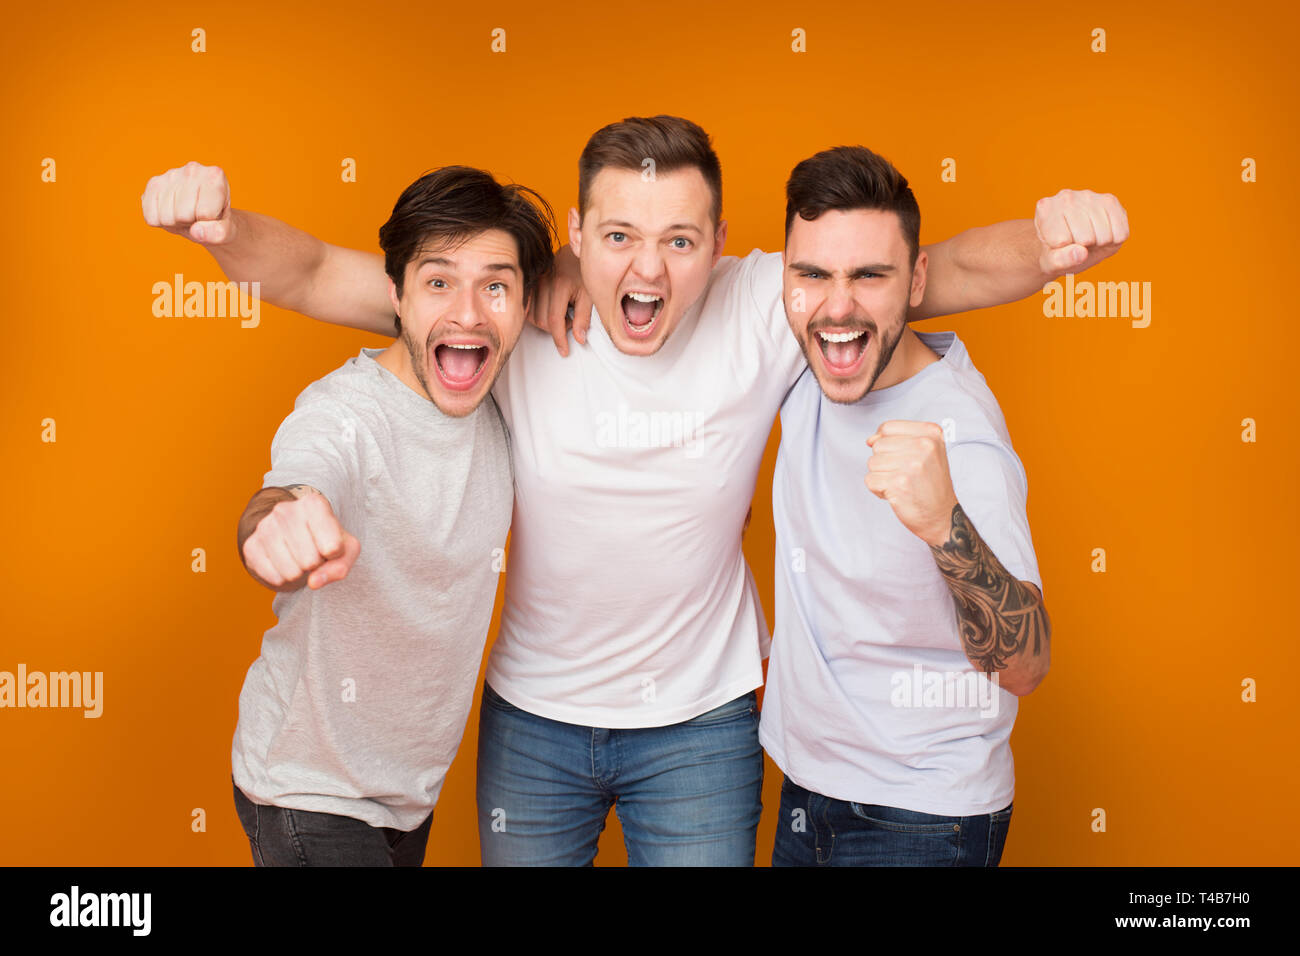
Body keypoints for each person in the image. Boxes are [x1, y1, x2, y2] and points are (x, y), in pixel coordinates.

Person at [140, 115, 1123, 865]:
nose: (646, 267)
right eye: (616, 236)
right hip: (533, 720)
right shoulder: (506, 311)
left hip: (703, 726)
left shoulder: (773, 301)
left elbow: (926, 271)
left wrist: (1048, 245)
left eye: (679, 241)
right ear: (573, 234)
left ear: (724, 242)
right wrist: (219, 230)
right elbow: (320, 270)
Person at [143, 163, 556, 865]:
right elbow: (297, 482)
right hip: (312, 790)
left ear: (524, 305)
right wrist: (276, 521)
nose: (467, 314)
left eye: (496, 286)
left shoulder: (504, 399)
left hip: (404, 795)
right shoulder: (346, 414)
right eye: (437, 283)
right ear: (393, 294)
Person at [762, 145, 1055, 866]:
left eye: (870, 275)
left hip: (924, 814)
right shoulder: (802, 359)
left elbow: (1027, 663)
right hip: (805, 789)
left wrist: (945, 525)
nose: (838, 306)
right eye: (814, 275)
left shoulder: (960, 430)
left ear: (917, 280)